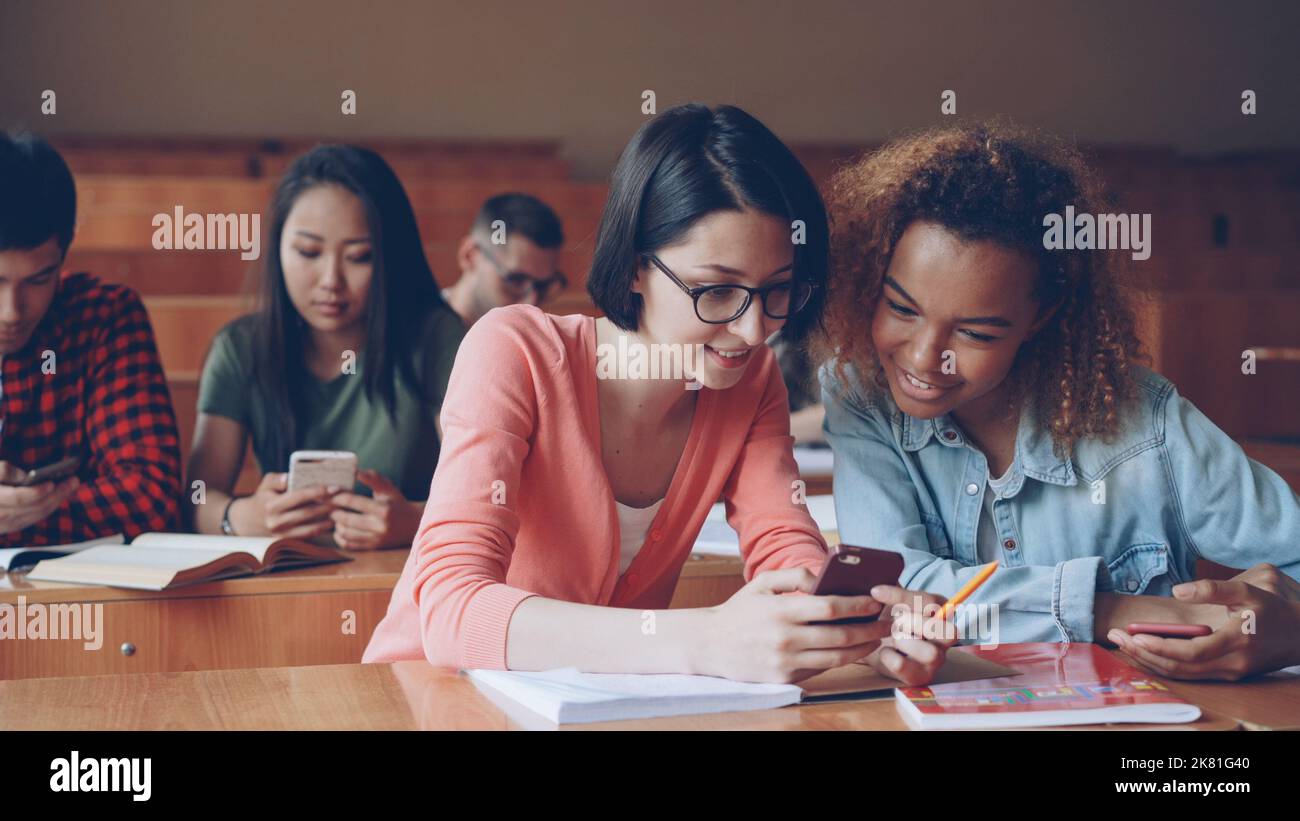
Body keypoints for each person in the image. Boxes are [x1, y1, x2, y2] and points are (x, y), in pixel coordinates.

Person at [365, 105, 953, 683]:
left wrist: (851, 627)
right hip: (428, 697)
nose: (753, 331)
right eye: (716, 291)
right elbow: (451, 608)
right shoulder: (514, 350)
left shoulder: (750, 381)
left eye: (779, 290)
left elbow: (784, 547)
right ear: (633, 269)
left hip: (591, 707)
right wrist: (704, 640)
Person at [816, 122, 1300, 680]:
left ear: (1039, 319)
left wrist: (1286, 633)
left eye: (976, 333)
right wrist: (1107, 608)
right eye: (902, 309)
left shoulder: (1149, 426)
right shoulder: (859, 392)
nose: (927, 359)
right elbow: (896, 586)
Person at [187, 145, 465, 550]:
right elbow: (197, 498)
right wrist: (240, 517)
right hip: (285, 584)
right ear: (278, 246)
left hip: (406, 584)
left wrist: (419, 522)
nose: (331, 279)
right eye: (308, 252)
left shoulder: (435, 338)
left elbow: (483, 493)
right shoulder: (241, 348)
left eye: (359, 257)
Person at [0, 130, 181, 545]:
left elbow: (151, 496)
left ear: (65, 254)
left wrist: (15, 522)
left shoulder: (104, 318)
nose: (11, 311)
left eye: (39, 279)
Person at [441, 193, 566, 327]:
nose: (530, 304)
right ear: (469, 256)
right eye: (516, 280)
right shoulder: (419, 331)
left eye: (542, 286)